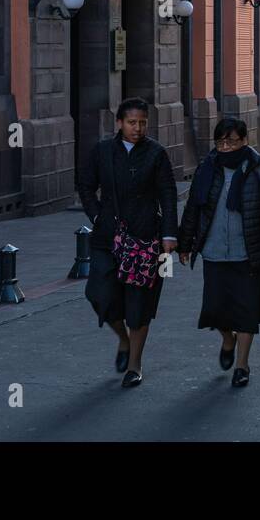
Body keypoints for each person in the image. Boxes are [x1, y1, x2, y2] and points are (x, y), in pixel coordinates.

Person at [178, 117, 260, 388]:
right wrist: (185, 243)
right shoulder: (207, 168)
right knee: (215, 309)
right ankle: (227, 339)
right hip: (214, 251)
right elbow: (194, 207)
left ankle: (242, 364)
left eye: (231, 141)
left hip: (249, 252)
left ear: (244, 141)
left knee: (247, 311)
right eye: (220, 141)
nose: (225, 147)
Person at [77, 98, 178, 388]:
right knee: (99, 293)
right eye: (132, 122)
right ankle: (122, 339)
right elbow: (85, 185)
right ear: (119, 123)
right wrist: (96, 216)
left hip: (146, 239)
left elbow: (168, 194)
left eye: (143, 122)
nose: (138, 128)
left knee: (139, 303)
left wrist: (169, 235)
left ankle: (135, 364)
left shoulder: (156, 153)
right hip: (107, 236)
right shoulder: (103, 151)